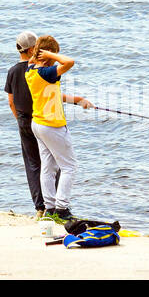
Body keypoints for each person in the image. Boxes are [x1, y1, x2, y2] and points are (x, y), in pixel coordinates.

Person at [24, 34, 93, 222]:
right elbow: (69, 62)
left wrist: (77, 100)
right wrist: (51, 55)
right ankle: (62, 208)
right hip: (52, 126)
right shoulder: (47, 72)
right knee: (69, 166)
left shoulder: (30, 70)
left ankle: (50, 208)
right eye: (55, 54)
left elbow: (52, 93)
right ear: (47, 54)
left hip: (38, 124)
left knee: (48, 167)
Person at [5, 30, 57, 218]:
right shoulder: (39, 69)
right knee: (52, 161)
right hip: (41, 119)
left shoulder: (12, 71)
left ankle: (39, 207)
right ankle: (55, 203)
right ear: (30, 50)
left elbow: (11, 101)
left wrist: (19, 119)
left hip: (23, 120)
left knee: (33, 164)